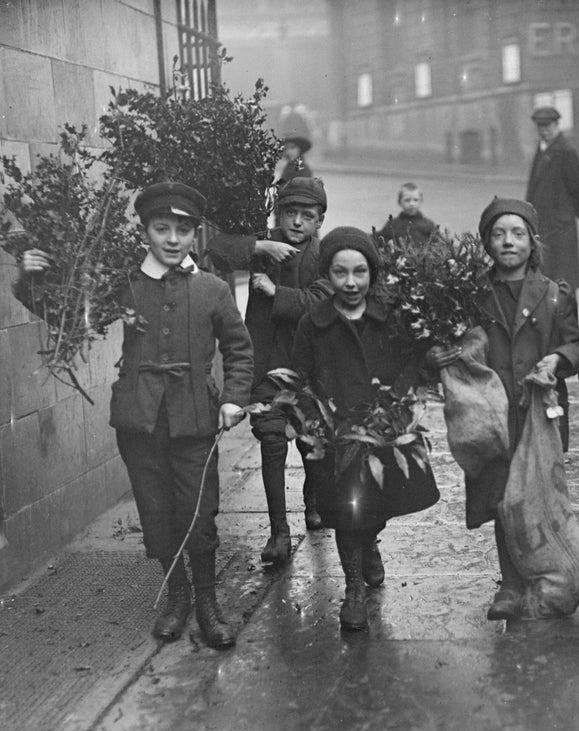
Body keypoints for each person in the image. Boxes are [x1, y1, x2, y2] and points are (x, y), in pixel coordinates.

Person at [13, 182, 253, 648]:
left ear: (195, 234)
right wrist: (29, 279)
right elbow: (66, 316)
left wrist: (232, 397)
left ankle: (207, 601)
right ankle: (177, 595)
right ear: (145, 231)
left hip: (194, 419)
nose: (171, 238)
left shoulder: (213, 289)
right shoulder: (125, 284)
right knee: (157, 510)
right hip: (140, 419)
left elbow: (240, 351)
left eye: (182, 230)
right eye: (161, 228)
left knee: (199, 514)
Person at [426, 197, 579, 620]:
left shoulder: (553, 295)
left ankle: (546, 576)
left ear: (532, 243)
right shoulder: (468, 294)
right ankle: (511, 585)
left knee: (536, 496)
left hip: (537, 410)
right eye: (498, 234)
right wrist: (441, 353)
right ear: (485, 243)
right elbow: (446, 337)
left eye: (517, 234)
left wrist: (557, 359)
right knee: (501, 500)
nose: (508, 242)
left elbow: (576, 343)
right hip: (490, 414)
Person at [291, 227, 439, 631]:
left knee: (376, 505)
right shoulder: (313, 323)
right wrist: (310, 420)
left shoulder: (388, 319)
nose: (351, 282)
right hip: (336, 437)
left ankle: (371, 541)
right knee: (344, 512)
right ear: (327, 275)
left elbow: (412, 362)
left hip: (381, 431)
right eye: (340, 273)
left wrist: (398, 403)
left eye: (360, 272)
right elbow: (299, 376)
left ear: (372, 273)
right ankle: (354, 587)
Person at [204, 176, 331, 565]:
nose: (296, 222)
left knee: (312, 446)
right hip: (266, 366)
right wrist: (260, 246)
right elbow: (216, 250)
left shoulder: (325, 256)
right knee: (273, 445)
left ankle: (313, 501)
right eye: (289, 213)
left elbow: (324, 301)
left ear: (319, 221)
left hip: (309, 371)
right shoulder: (267, 245)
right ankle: (279, 530)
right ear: (279, 214)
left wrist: (277, 293)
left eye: (306, 216)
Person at [524, 106, 579, 288]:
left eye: (548, 126)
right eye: (540, 127)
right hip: (542, 223)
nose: (544, 131)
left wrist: (569, 214)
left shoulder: (566, 151)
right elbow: (534, 184)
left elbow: (578, 189)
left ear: (557, 125)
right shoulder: (541, 148)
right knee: (544, 274)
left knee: (563, 276)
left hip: (560, 226)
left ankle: (567, 316)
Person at [376, 181, 440, 250]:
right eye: (407, 200)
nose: (412, 203)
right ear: (399, 202)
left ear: (421, 201)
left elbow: (438, 245)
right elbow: (380, 242)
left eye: (415, 200)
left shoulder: (428, 225)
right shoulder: (392, 224)